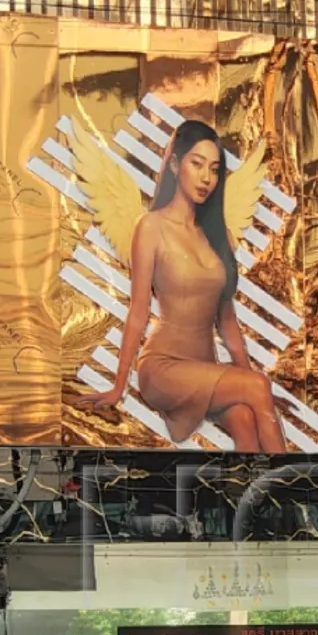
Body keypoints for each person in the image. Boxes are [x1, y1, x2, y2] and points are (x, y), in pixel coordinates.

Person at [84, 120, 285, 452]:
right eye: (197, 163)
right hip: (163, 368)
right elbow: (138, 310)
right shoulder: (151, 226)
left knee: (246, 419)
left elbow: (228, 322)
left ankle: (248, 500)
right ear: (176, 164)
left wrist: (248, 384)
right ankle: (294, 491)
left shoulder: (218, 237)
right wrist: (119, 385)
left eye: (215, 169)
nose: (207, 177)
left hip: (205, 366)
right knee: (256, 389)